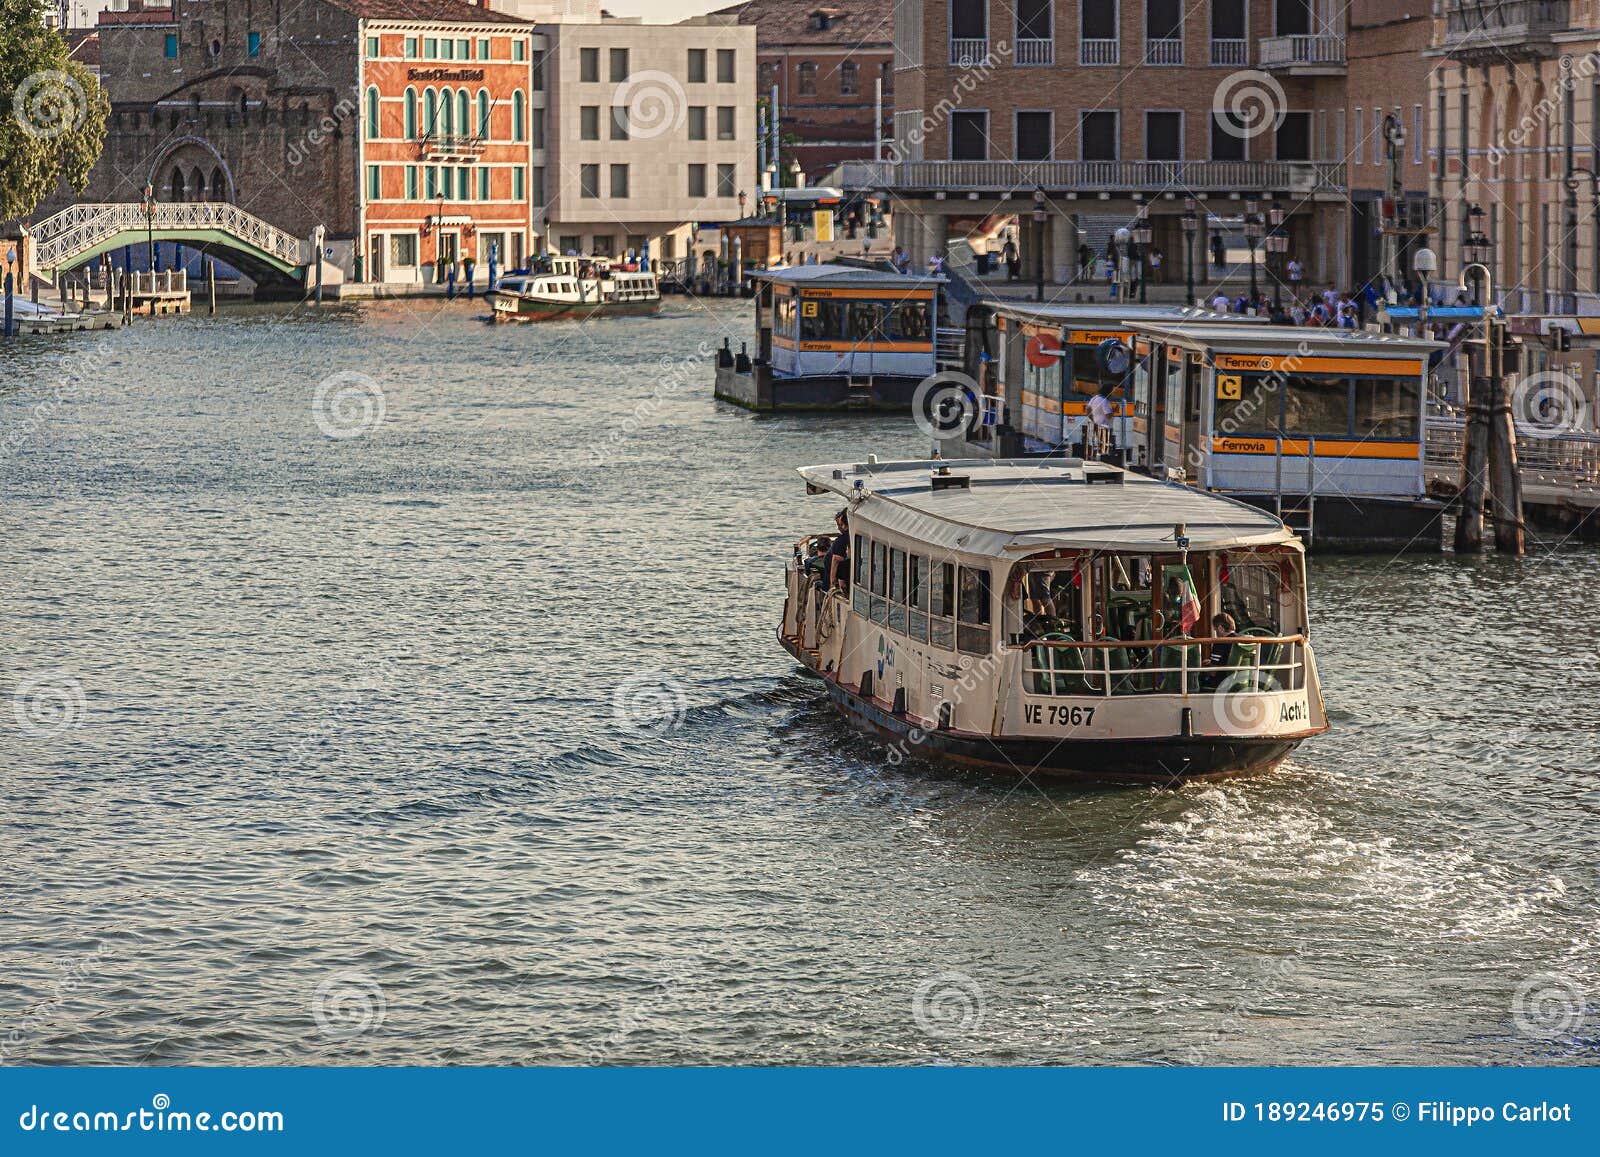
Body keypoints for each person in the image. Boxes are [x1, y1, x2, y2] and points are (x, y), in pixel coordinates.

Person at [821, 510, 851, 591]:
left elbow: (836, 559)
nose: (839, 528)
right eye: (838, 525)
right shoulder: (847, 538)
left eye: (840, 524)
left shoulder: (842, 540)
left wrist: (832, 584)